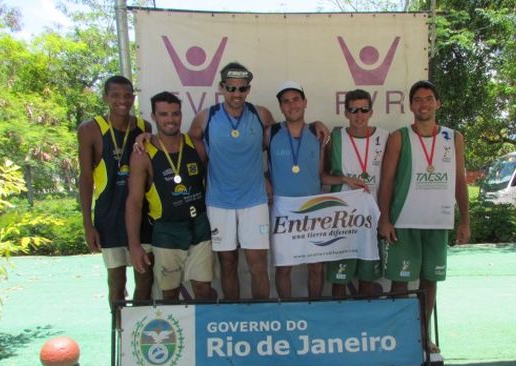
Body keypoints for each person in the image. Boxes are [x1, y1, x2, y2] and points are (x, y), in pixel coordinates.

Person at [378, 80, 470, 353]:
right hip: (404, 221)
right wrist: (385, 219)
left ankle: (422, 335)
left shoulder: (453, 137)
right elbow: (387, 180)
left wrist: (465, 221)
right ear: (410, 105)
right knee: (400, 281)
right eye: (418, 99)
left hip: (438, 222)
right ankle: (397, 337)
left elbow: (460, 180)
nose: (424, 104)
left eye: (429, 98)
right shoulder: (399, 137)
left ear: (437, 103)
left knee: (430, 281)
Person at [188, 62, 274, 301]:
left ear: (248, 89)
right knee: (228, 263)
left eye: (242, 88)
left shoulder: (261, 114)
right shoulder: (206, 117)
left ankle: (262, 315)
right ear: (221, 87)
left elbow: (278, 143)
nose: (237, 94)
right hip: (219, 201)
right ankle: (233, 314)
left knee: (258, 264)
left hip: (254, 200)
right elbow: (189, 142)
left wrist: (267, 177)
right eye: (231, 88)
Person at [266, 81, 359, 298]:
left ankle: (314, 307)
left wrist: (344, 179)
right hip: (283, 210)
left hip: (314, 208)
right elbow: (249, 158)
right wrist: (263, 180)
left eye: (296, 100)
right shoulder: (270, 133)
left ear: (305, 102)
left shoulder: (317, 134)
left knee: (316, 267)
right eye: (286, 102)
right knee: (284, 268)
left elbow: (320, 175)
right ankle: (287, 311)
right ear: (280, 107)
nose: (292, 105)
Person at [126, 91, 214, 301]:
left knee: (203, 290)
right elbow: (134, 202)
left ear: (181, 115)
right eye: (163, 114)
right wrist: (134, 245)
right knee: (169, 294)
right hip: (166, 230)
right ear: (153, 116)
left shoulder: (197, 146)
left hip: (200, 226)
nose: (170, 119)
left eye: (175, 113)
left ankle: (205, 324)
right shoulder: (143, 154)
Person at [78, 75, 153, 308]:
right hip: (109, 215)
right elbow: (86, 178)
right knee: (117, 283)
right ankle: (119, 326)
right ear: (105, 98)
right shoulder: (90, 130)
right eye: (116, 95)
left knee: (145, 279)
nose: (122, 100)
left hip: (142, 215)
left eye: (128, 95)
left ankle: (137, 327)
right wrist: (87, 224)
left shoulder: (144, 127)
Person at [325, 89, 389, 298]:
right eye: (353, 110)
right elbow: (322, 176)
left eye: (364, 109)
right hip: (341, 220)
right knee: (339, 280)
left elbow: (390, 180)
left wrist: (386, 218)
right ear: (346, 113)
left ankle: (364, 319)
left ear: (371, 112)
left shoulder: (385, 137)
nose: (359, 115)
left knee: (367, 279)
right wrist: (344, 179)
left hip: (371, 219)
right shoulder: (335, 138)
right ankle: (339, 318)